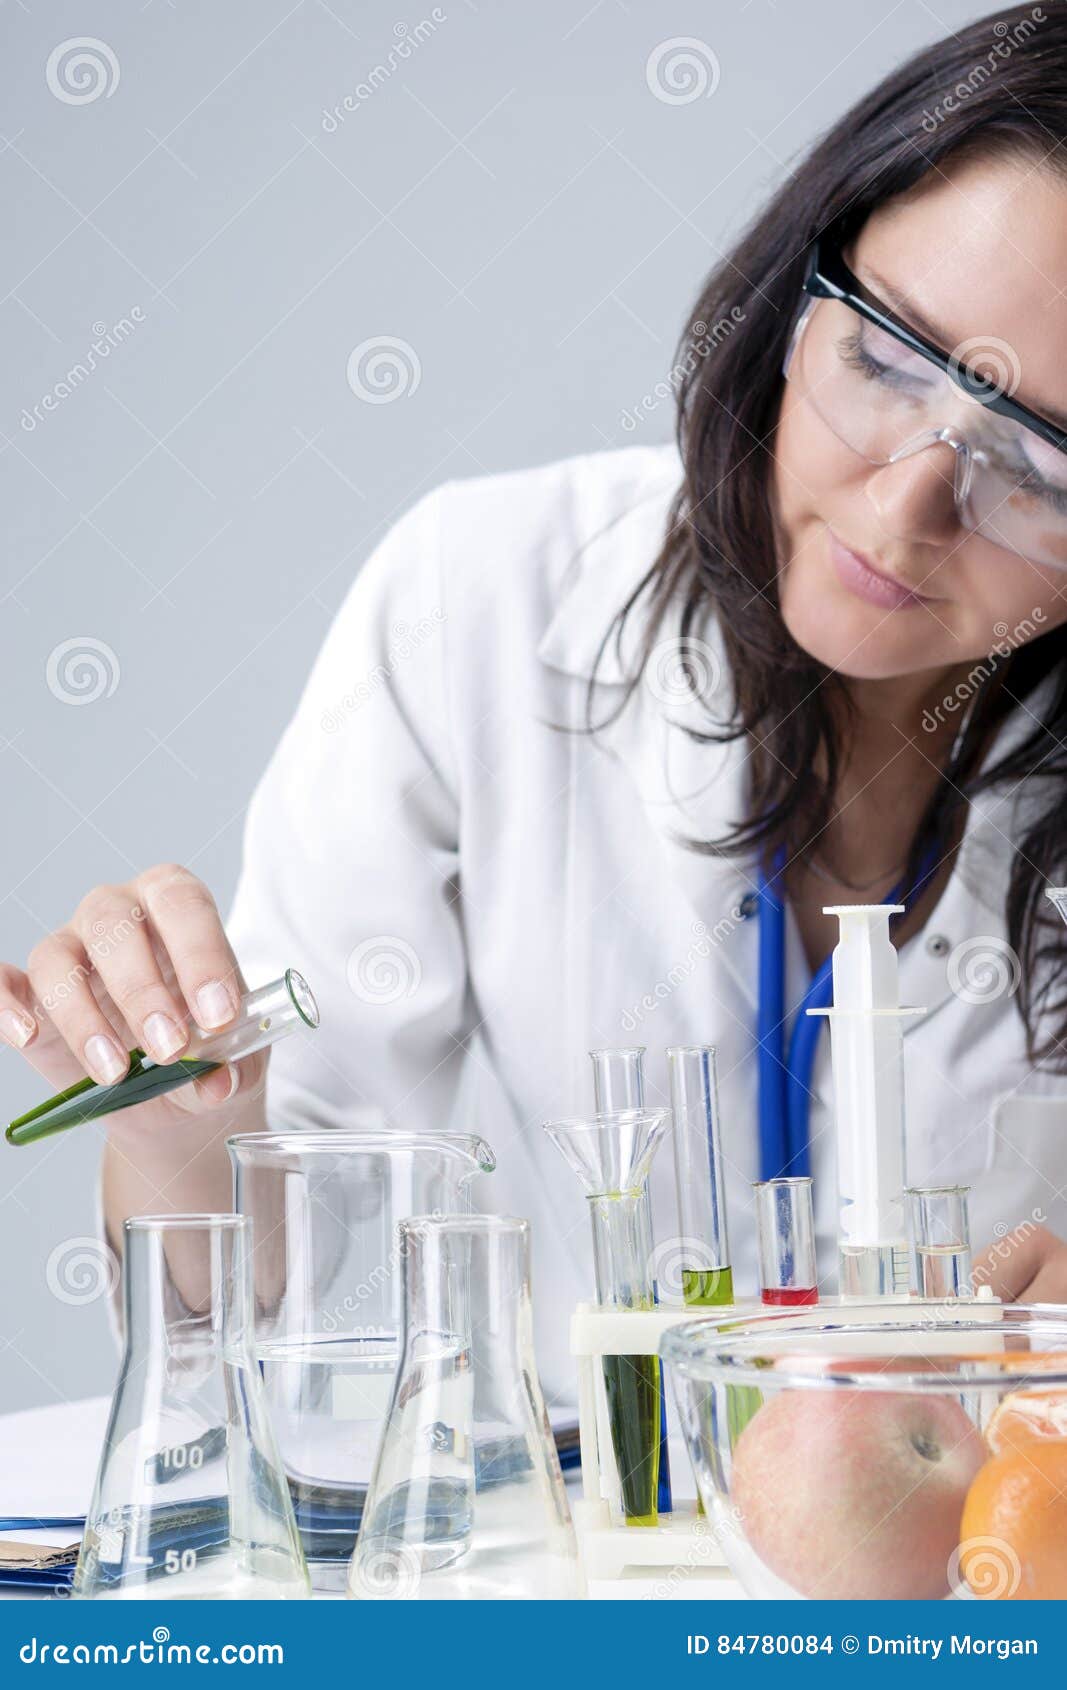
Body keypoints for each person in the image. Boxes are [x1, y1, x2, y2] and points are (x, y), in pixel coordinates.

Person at [5, 4, 1067, 1394]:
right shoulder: (486, 599)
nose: (909, 504)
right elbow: (268, 1325)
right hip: (600, 1559)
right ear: (797, 293)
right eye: (886, 356)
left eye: (1039, 459)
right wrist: (183, 1117)